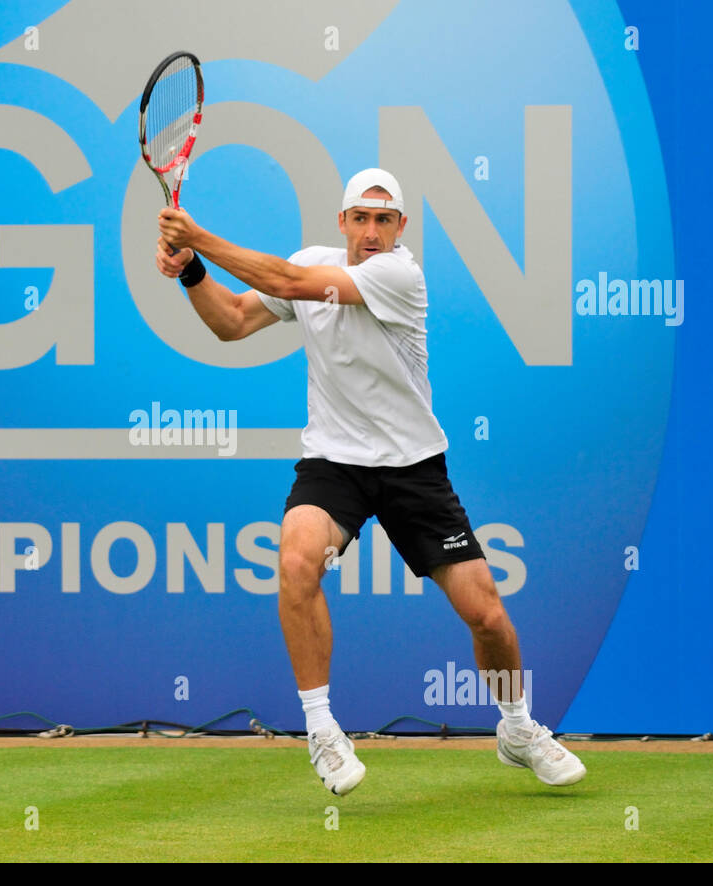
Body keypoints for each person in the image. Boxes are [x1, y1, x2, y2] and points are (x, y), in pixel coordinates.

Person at [155, 168, 586, 794]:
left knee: (485, 613)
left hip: (413, 467)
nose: (372, 230)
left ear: (401, 228)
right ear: (342, 222)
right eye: (360, 217)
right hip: (335, 465)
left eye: (384, 220)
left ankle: (518, 728)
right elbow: (232, 322)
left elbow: (287, 281)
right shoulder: (313, 262)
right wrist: (194, 272)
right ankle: (323, 731)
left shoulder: (398, 276)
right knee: (298, 559)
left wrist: (200, 237)